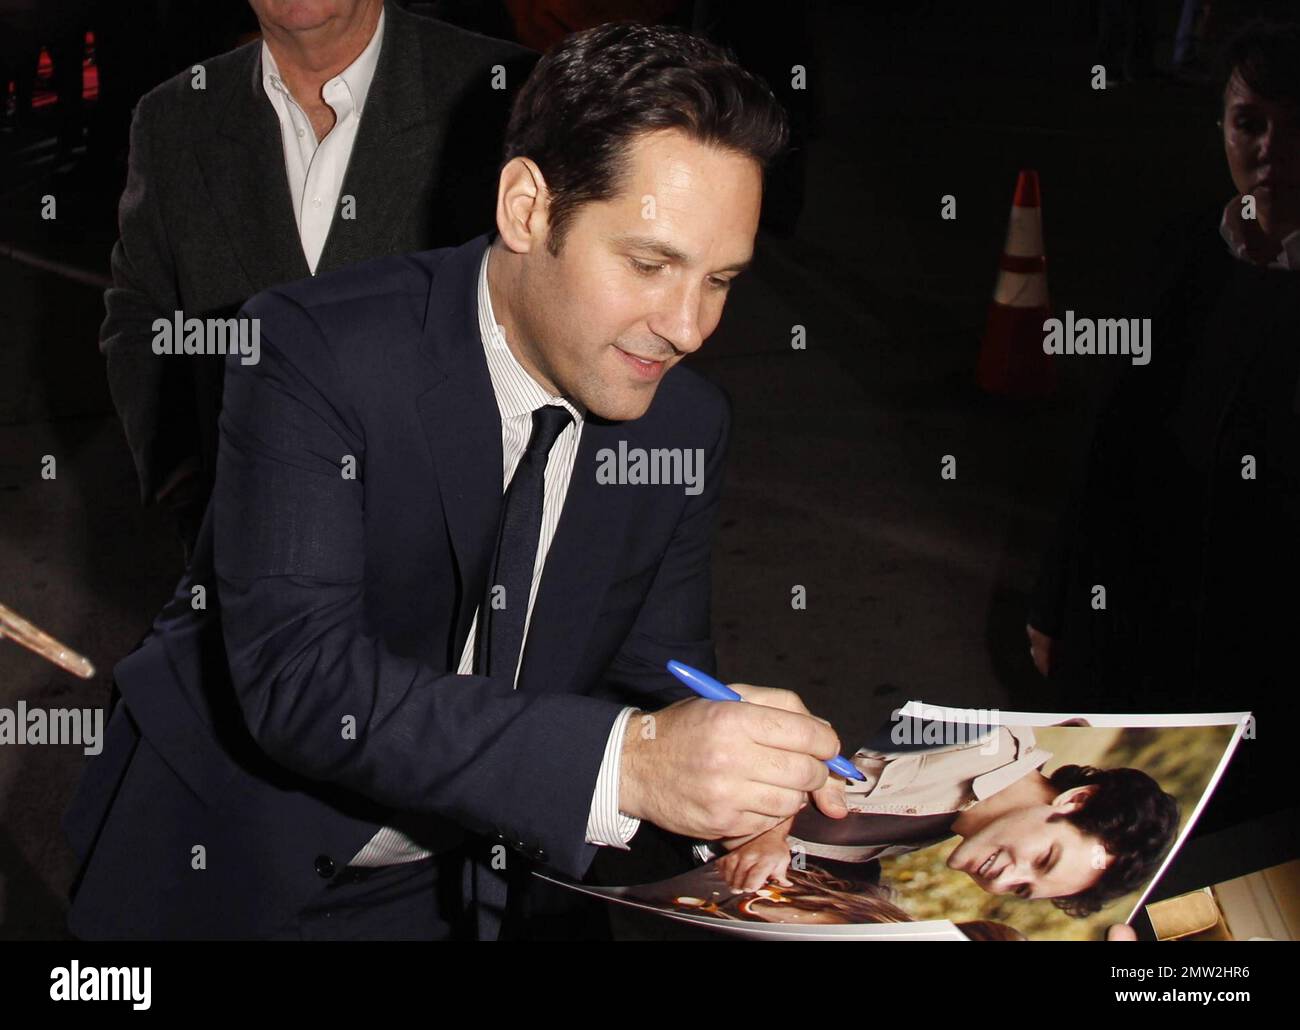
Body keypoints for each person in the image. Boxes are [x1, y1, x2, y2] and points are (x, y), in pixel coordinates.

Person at [63, 21, 851, 942]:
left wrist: (730, 772)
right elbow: (302, 681)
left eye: (721, 280)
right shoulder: (312, 350)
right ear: (526, 208)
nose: (687, 327)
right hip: (233, 865)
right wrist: (633, 763)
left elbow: (648, 664)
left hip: (481, 876)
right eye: (649, 264)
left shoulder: (685, 422)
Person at [99, 0, 536, 557]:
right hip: (249, 569)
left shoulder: (514, 95)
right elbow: (142, 316)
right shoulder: (173, 119)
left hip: (463, 576)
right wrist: (193, 491)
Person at [1025, 19, 1300, 838]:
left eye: (1298, 126)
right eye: (1248, 122)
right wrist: (1057, 597)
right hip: (1137, 634)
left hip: (1269, 658)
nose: (1269, 150)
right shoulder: (1180, 252)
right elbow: (1105, 439)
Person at [717, 717, 1179, 919]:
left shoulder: (934, 833)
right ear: (1075, 802)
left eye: (1021, 891)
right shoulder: (978, 728)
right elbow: (801, 706)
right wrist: (771, 828)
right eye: (1043, 859)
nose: (1001, 882)